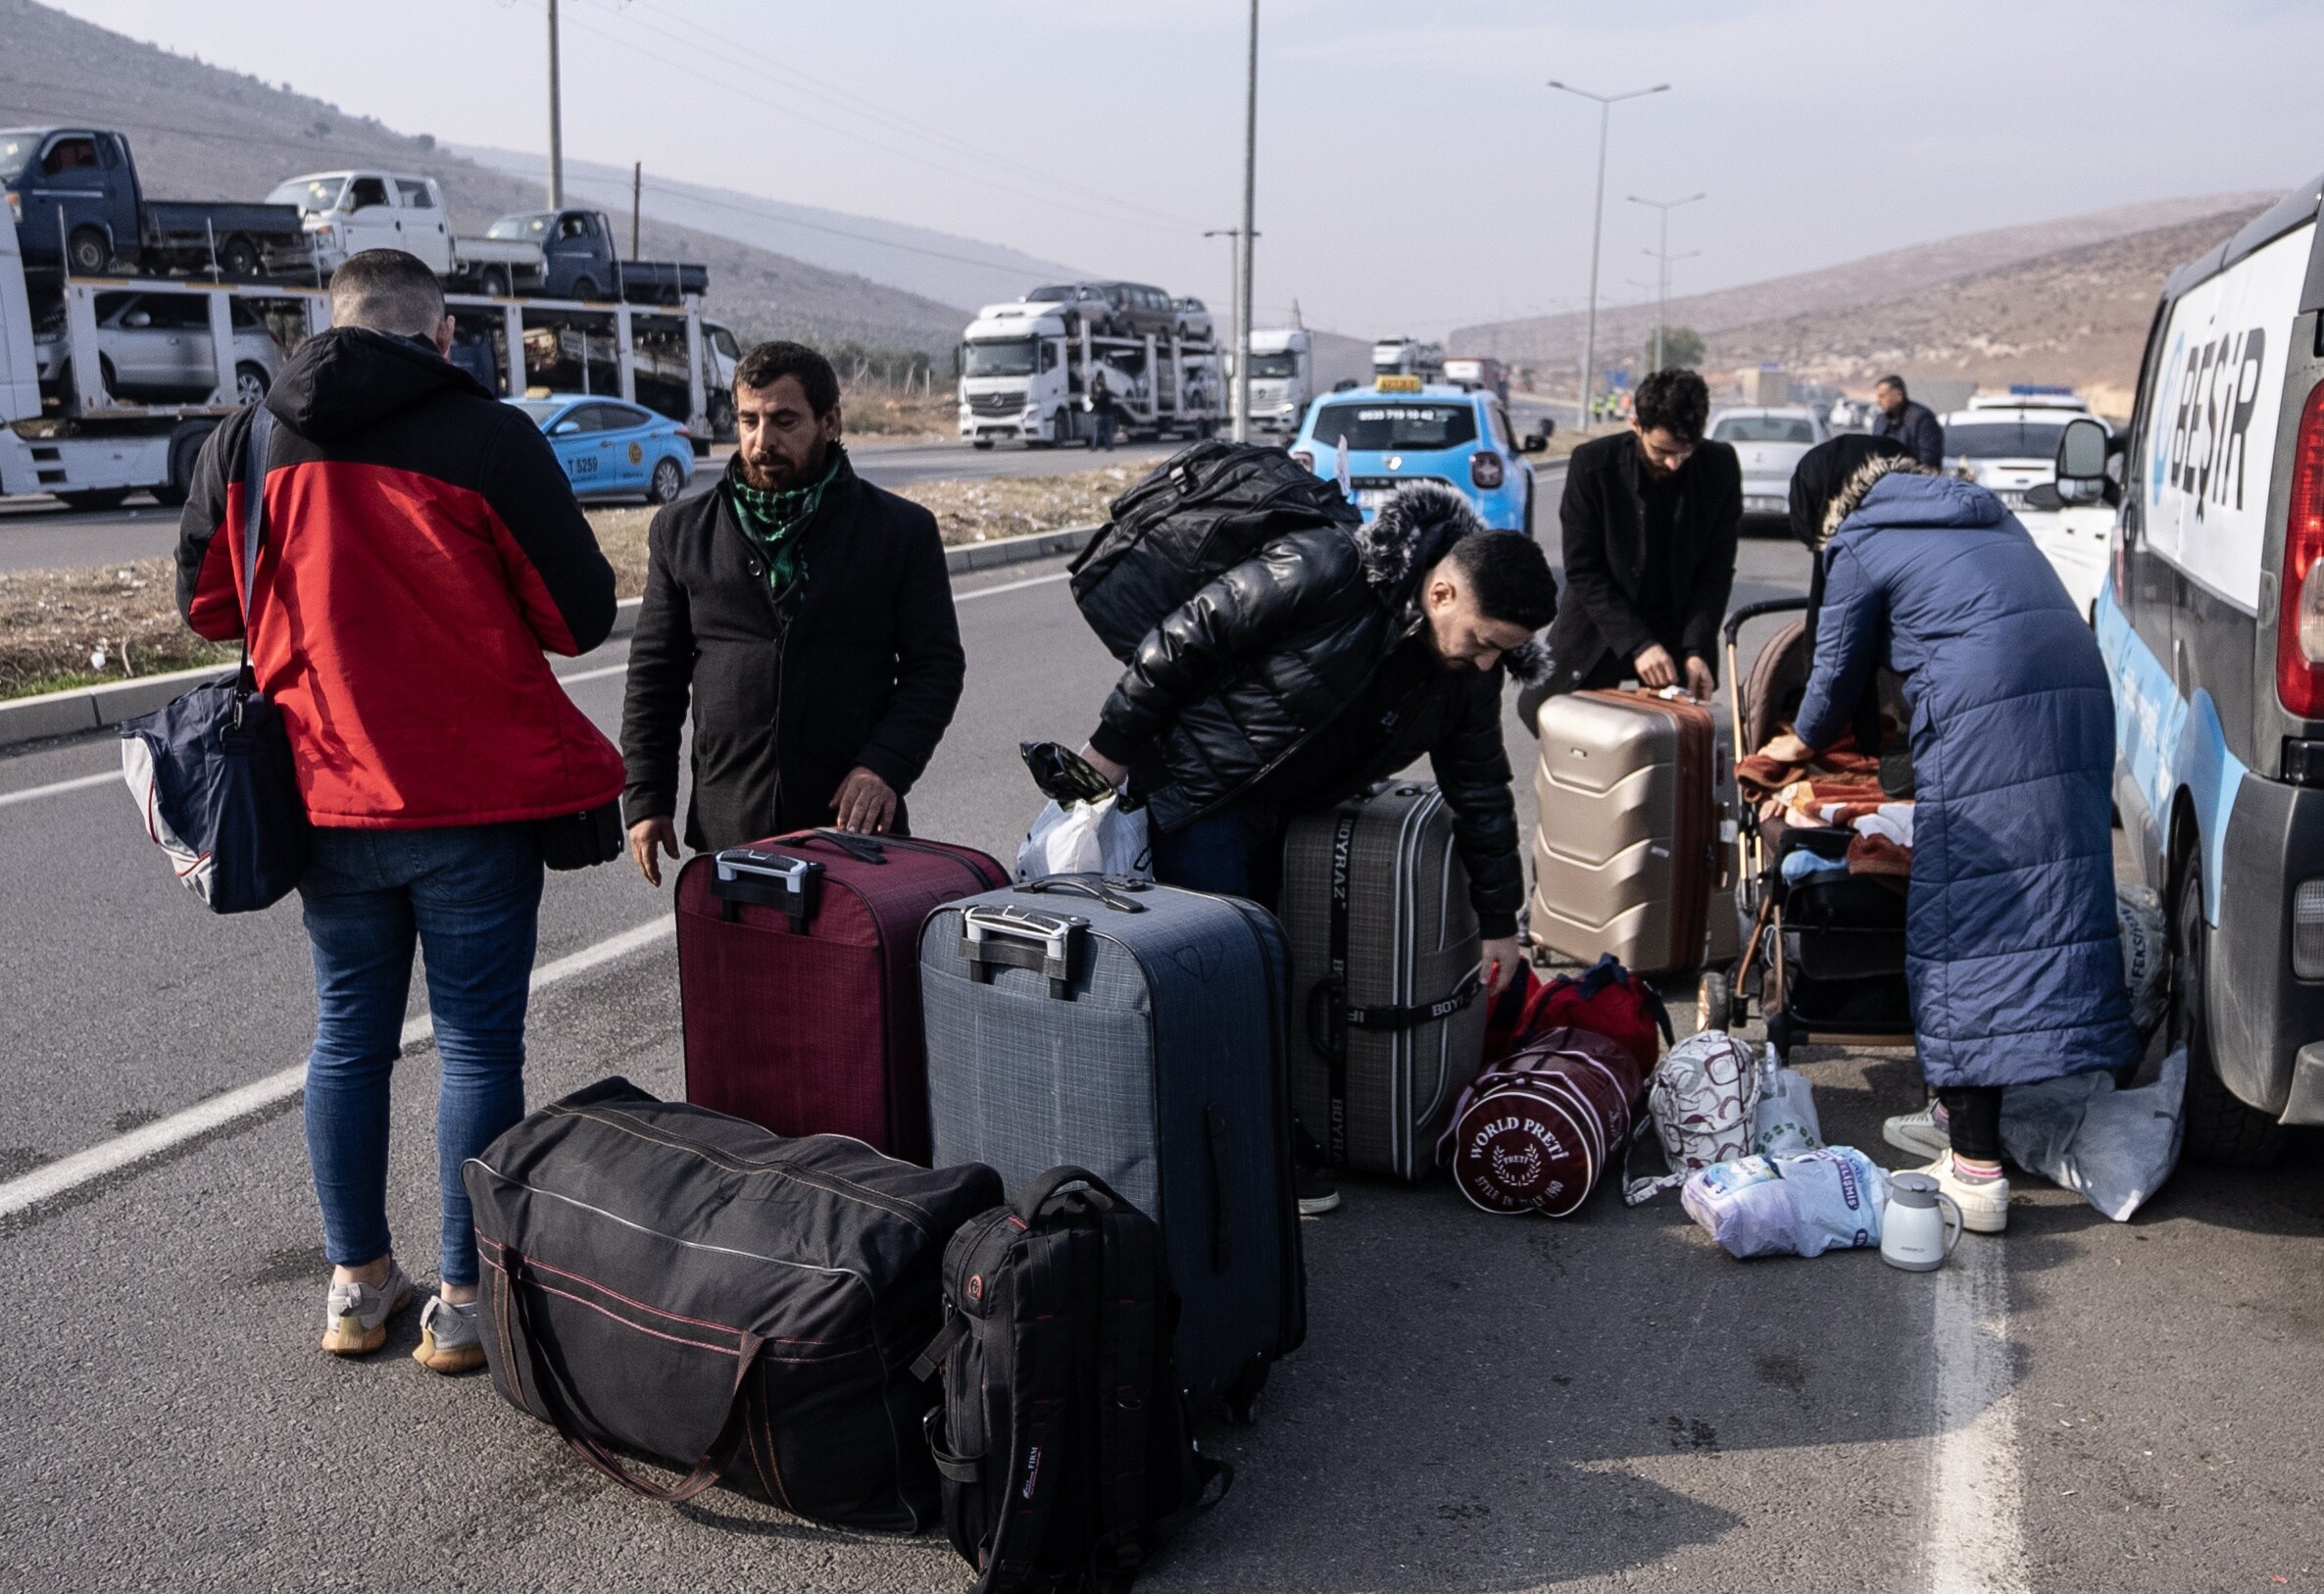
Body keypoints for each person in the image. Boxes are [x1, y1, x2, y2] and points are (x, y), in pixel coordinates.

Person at [175, 249, 623, 1372]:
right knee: (476, 1049)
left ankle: (356, 1287)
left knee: (347, 1042)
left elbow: (206, 605)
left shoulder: (247, 439)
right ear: (441, 335)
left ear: (325, 326)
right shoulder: (487, 438)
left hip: (323, 802)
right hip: (469, 802)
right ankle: (466, 1302)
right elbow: (577, 617)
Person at [1074, 485, 1559, 1214]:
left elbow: (1482, 790)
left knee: (1256, 970)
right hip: (1203, 789)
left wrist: (1500, 922)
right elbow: (1186, 638)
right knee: (1230, 972)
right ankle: (1243, 1151)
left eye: (1505, 652)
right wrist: (1107, 752)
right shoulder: (1326, 566)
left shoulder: (1462, 676)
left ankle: (1213, 1131)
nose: (1489, 663)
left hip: (1287, 812)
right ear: (1442, 589)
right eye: (1484, 640)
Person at [1755, 448, 2137, 1233]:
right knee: (2047, 898)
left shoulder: (1860, 539)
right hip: (2075, 699)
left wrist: (1798, 742)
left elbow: (1830, 674)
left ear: (1823, 508)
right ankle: (1961, 1112)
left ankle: (1975, 1173)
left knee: (1966, 925)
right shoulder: (1979, 509)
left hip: (1988, 713)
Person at [621, 340, 964, 878]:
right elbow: (654, 675)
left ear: (830, 422)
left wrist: (884, 767)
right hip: (729, 824)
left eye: (784, 421)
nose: (763, 441)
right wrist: (646, 797)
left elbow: (935, 668)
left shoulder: (899, 532)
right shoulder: (683, 531)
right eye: (749, 420)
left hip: (852, 829)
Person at [1526, 367, 1740, 716]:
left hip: (1678, 635)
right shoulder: (1593, 464)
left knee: (1674, 751)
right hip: (1600, 632)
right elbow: (1583, 569)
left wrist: (1697, 649)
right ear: (1636, 425)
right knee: (1576, 741)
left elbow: (1715, 570)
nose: (1674, 463)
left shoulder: (1720, 466)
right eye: (1663, 451)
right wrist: (1639, 643)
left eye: (1686, 451)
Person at [1870, 374, 1945, 467]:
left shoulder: (1922, 418)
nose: (1878, 401)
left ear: (1898, 395)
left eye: (1882, 396)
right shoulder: (1880, 420)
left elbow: (1929, 458)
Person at [1088, 370, 1118, 451]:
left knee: (1097, 433)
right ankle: (1110, 447)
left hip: (1100, 416)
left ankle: (1095, 447)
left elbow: (1097, 402)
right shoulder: (1107, 394)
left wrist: (1092, 399)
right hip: (1108, 415)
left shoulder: (1100, 395)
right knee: (1108, 433)